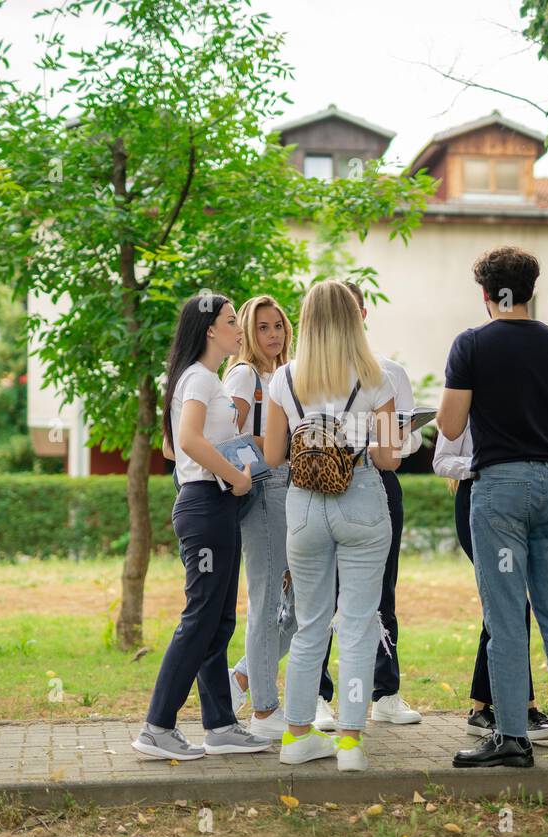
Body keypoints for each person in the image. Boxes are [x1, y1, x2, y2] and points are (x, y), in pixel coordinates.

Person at [437, 246, 548, 769]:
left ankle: (511, 737)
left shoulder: (471, 345)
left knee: (505, 616)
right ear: (531, 289)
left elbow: (450, 426)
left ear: (486, 294)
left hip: (500, 487)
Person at [262, 279, 403, 772]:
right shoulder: (376, 375)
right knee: (360, 626)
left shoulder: (284, 379)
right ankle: (349, 744)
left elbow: (274, 455)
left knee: (308, 624)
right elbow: (388, 457)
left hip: (302, 506)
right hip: (361, 496)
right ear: (352, 318)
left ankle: (298, 736)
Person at [132, 293, 271, 761]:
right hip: (206, 507)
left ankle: (221, 726)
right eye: (234, 321)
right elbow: (187, 440)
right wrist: (234, 475)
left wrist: (234, 456)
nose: (240, 329)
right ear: (211, 329)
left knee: (218, 620)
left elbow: (174, 448)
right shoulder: (199, 379)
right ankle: (157, 727)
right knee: (198, 620)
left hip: (214, 505)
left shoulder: (199, 379)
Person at [311, 281, 423, 728]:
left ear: (363, 314)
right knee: (321, 592)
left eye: (354, 310)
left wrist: (393, 438)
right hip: (321, 487)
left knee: (382, 590)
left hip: (379, 483)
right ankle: (317, 695)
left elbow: (406, 440)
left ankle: (385, 692)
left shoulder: (388, 372)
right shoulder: (307, 371)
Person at [434, 425, 548, 740]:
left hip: (518, 500)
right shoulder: (464, 395)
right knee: (510, 601)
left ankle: (482, 709)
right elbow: (442, 461)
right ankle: (522, 708)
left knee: (506, 602)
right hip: (476, 501)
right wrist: (482, 464)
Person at [222, 295, 300, 741]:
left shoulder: (283, 374)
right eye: (263, 327)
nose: (274, 335)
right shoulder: (245, 373)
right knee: (269, 600)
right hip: (264, 487)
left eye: (279, 326)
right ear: (248, 333)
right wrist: (279, 439)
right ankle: (266, 713)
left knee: (305, 604)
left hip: (288, 487)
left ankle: (244, 676)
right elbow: (227, 433)